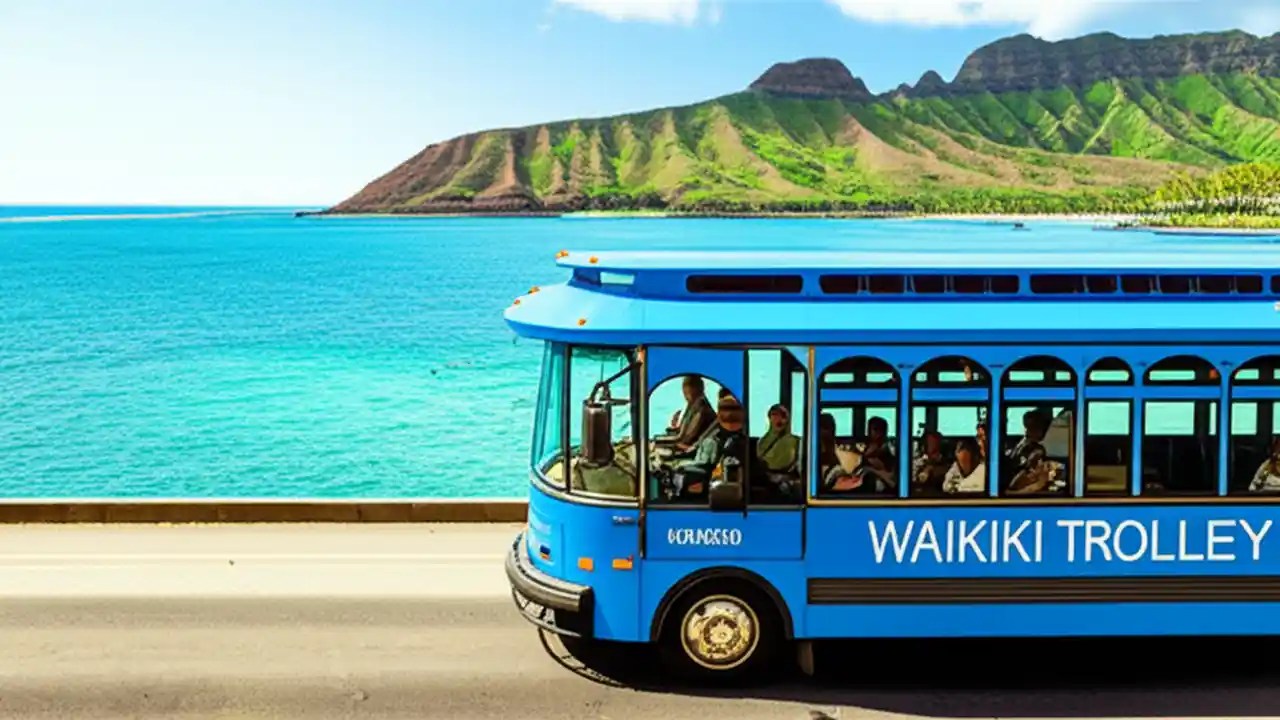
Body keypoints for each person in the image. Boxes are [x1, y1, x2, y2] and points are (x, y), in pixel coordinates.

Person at [667, 395, 747, 499]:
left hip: (712, 489)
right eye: (725, 408)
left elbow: (731, 478)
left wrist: (705, 486)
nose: (729, 412)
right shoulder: (716, 433)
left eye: (732, 409)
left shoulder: (737, 444)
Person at [666, 376, 715, 451]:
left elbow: (686, 438)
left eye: (687, 394)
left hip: (692, 450)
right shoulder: (692, 407)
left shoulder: (702, 410)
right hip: (689, 447)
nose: (685, 397)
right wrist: (676, 427)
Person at [757, 404, 800, 474]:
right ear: (769, 418)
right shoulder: (761, 442)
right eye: (774, 415)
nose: (778, 419)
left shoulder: (797, 442)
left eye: (783, 416)